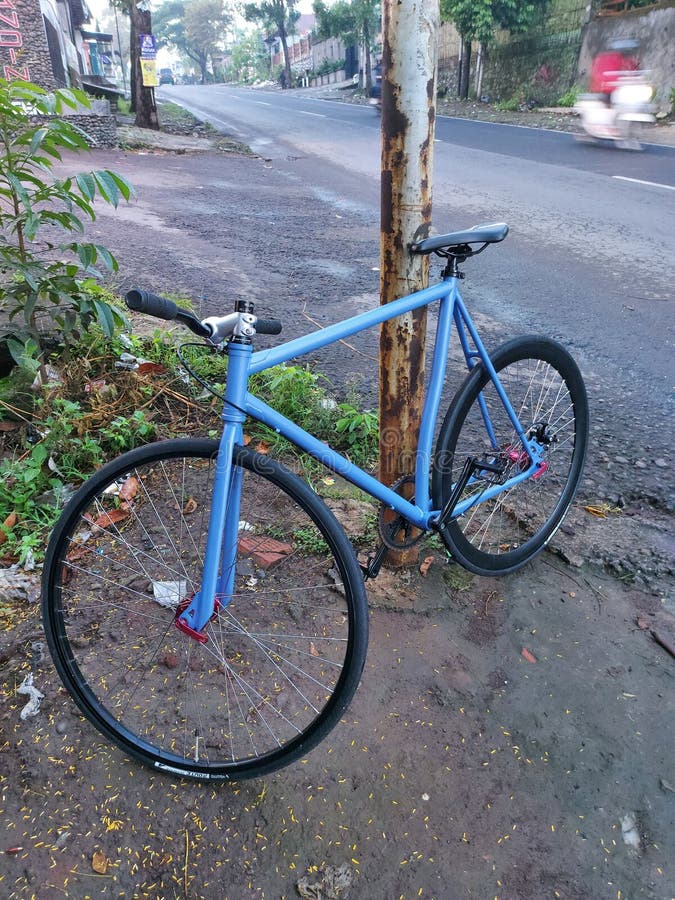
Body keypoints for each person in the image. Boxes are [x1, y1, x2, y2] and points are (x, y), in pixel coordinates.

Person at [589, 39, 639, 103]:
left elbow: (635, 72)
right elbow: (598, 75)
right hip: (607, 90)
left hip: (624, 89)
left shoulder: (630, 61)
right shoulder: (606, 58)